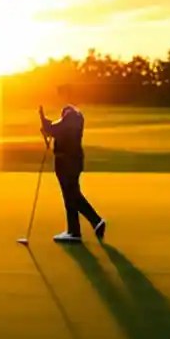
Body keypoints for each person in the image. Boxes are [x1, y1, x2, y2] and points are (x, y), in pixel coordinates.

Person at [39, 85, 106, 244]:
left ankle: (94, 221)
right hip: (71, 160)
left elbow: (56, 129)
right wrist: (46, 126)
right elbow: (56, 129)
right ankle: (74, 230)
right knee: (71, 194)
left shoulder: (72, 115)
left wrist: (45, 123)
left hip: (67, 161)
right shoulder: (72, 115)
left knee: (71, 194)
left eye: (61, 95)